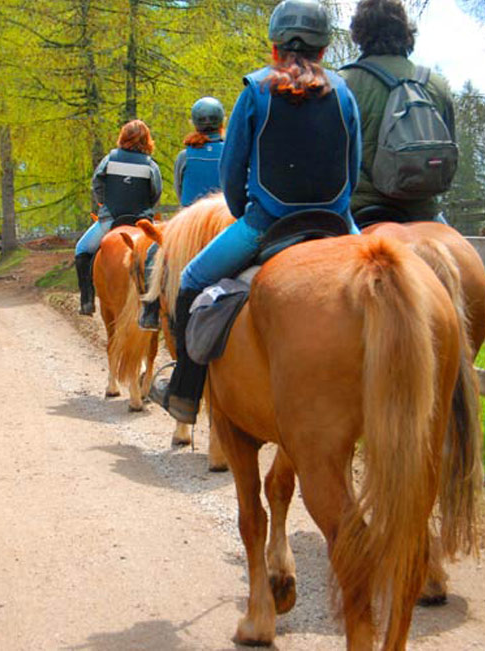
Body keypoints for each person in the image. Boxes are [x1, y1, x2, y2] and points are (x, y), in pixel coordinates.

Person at [150, 0, 362, 424]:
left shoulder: (254, 92)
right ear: (323, 49)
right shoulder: (344, 93)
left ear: (274, 45)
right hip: (338, 225)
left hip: (267, 224)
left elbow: (233, 173)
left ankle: (185, 393)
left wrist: (240, 209)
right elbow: (352, 171)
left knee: (190, 279)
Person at [339, 0, 456, 225]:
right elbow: (450, 153)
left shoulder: (342, 85)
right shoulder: (437, 85)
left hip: (358, 209)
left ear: (359, 34)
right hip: (423, 211)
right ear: (406, 32)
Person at [74, 119, 163, 316]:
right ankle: (157, 306)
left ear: (123, 137)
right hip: (142, 222)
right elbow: (156, 193)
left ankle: (87, 301)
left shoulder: (110, 159)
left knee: (81, 250)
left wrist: (102, 203)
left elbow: (97, 183)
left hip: (110, 221)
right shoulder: (151, 165)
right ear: (146, 139)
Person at [174, 97, 226, 207]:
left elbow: (180, 191)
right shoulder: (231, 154)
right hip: (222, 218)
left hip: (190, 219)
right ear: (222, 122)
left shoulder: (184, 156)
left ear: (194, 124)